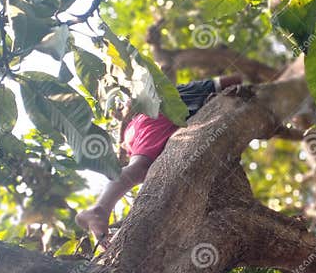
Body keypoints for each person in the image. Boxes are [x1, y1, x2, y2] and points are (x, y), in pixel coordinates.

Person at [75, 75, 242, 245]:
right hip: (155, 117)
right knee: (140, 168)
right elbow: (224, 82)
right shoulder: (177, 93)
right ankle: (99, 210)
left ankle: (122, 233)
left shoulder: (135, 122)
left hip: (135, 133)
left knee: (151, 174)